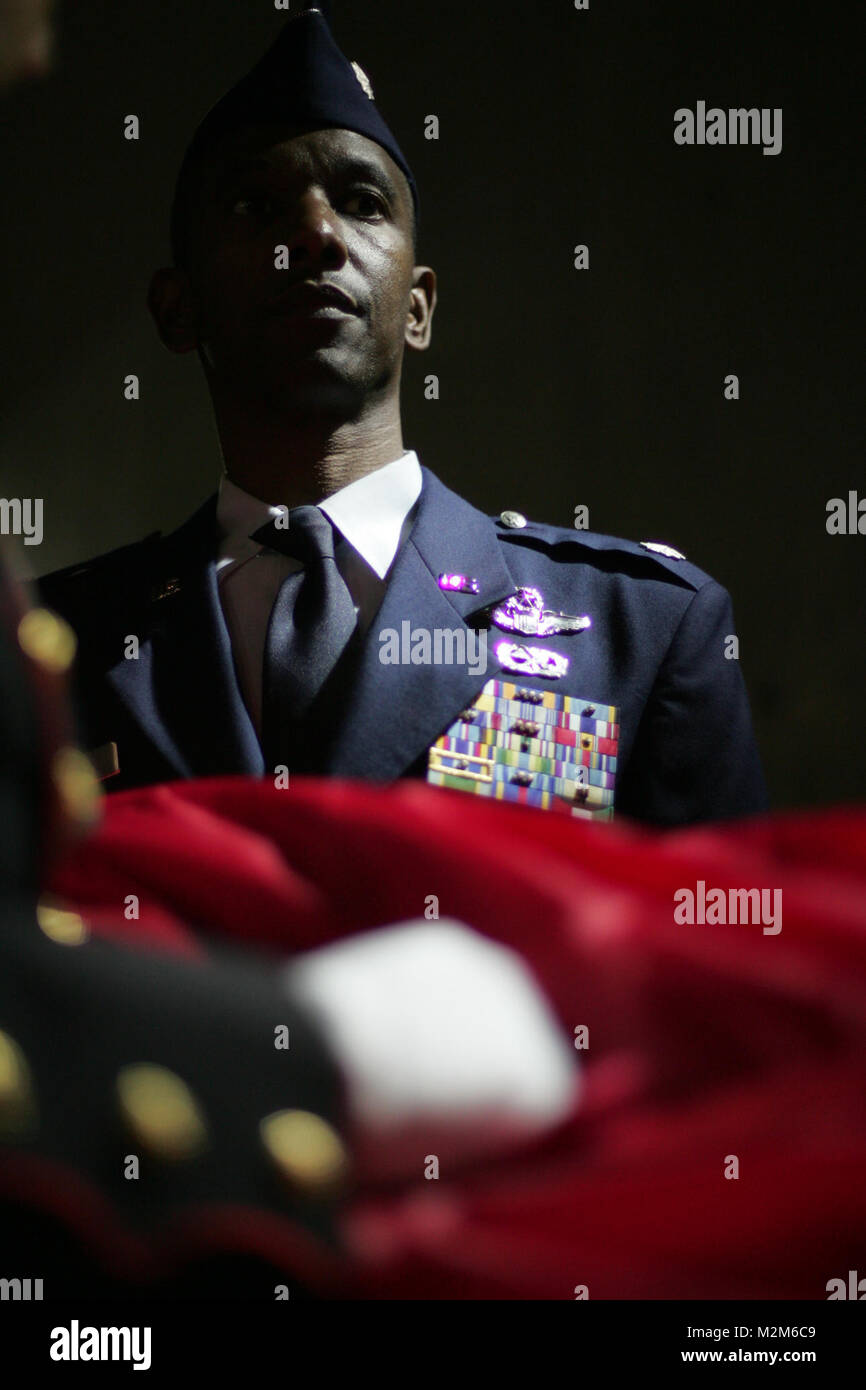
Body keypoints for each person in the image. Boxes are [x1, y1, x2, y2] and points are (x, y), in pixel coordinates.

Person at [36, 4, 767, 827]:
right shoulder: (50, 646)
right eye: (254, 207)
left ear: (417, 308)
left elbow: (713, 947)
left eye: (361, 202)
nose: (315, 235)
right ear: (178, 309)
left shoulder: (642, 627)